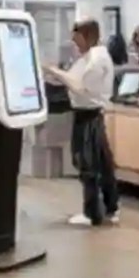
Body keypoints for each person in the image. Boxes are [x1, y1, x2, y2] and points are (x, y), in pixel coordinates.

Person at [43, 19, 120, 227]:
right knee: (102, 164)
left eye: (77, 38)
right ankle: (110, 207)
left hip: (89, 117)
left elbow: (79, 86)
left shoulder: (96, 59)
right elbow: (71, 79)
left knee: (89, 165)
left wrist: (54, 71)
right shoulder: (89, 57)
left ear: (88, 35)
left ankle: (92, 213)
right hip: (89, 115)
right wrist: (55, 75)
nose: (74, 43)